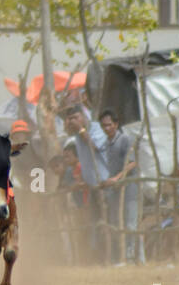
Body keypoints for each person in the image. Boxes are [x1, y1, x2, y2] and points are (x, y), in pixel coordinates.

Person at [62, 105, 111, 263]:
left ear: (83, 116)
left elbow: (95, 146)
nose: (73, 122)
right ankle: (98, 259)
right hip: (91, 187)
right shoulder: (76, 134)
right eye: (70, 119)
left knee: (108, 223)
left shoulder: (96, 128)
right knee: (96, 224)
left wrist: (82, 130)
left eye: (76, 118)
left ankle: (111, 258)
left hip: (105, 184)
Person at [100, 108, 144, 265]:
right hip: (116, 189)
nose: (107, 128)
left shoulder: (125, 139)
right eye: (103, 126)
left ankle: (136, 258)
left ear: (116, 124)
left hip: (130, 186)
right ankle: (124, 257)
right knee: (119, 223)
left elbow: (133, 162)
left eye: (109, 125)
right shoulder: (107, 144)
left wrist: (117, 178)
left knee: (132, 223)